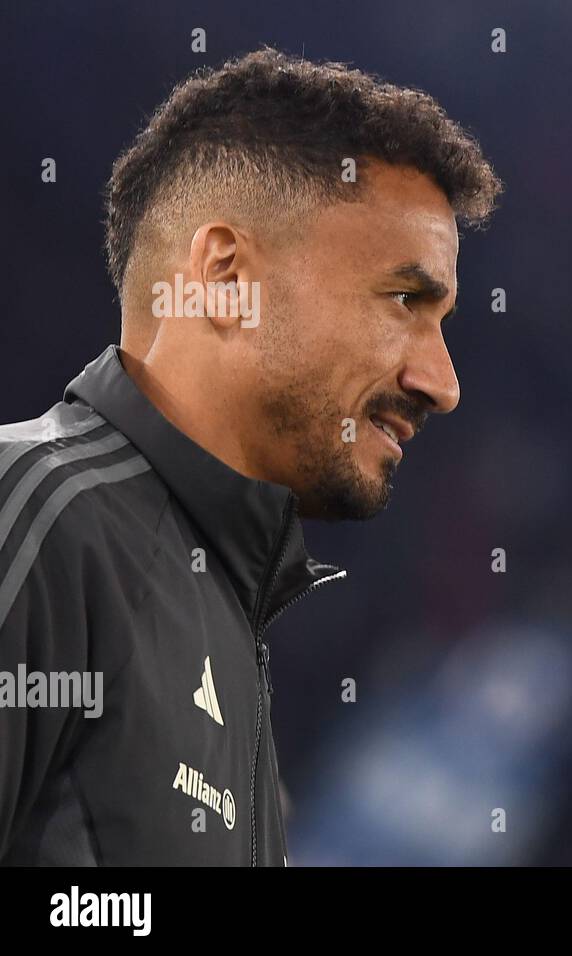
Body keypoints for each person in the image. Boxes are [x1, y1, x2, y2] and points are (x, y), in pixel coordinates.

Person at [0, 47, 502, 864]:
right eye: (405, 300)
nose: (441, 382)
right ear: (226, 278)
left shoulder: (224, 623)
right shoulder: (36, 514)